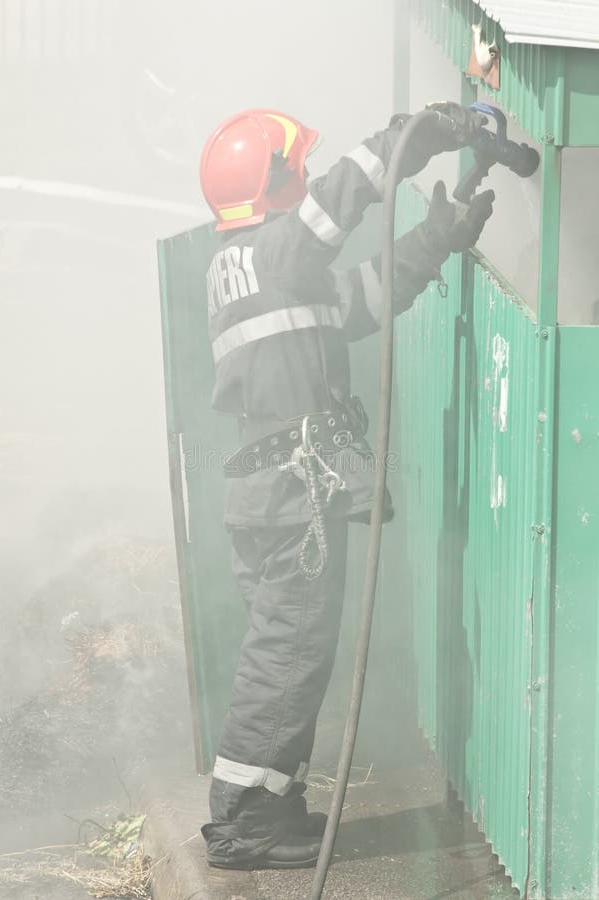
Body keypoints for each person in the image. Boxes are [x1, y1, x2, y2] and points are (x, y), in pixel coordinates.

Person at [198, 106, 494, 870]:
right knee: (289, 654)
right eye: (289, 171)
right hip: (292, 495)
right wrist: (419, 134)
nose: (300, 183)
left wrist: (437, 238)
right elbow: (345, 195)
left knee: (291, 654)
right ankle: (243, 823)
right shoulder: (275, 248)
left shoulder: (255, 264)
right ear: (270, 185)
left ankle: (267, 805)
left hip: (279, 493)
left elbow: (358, 301)